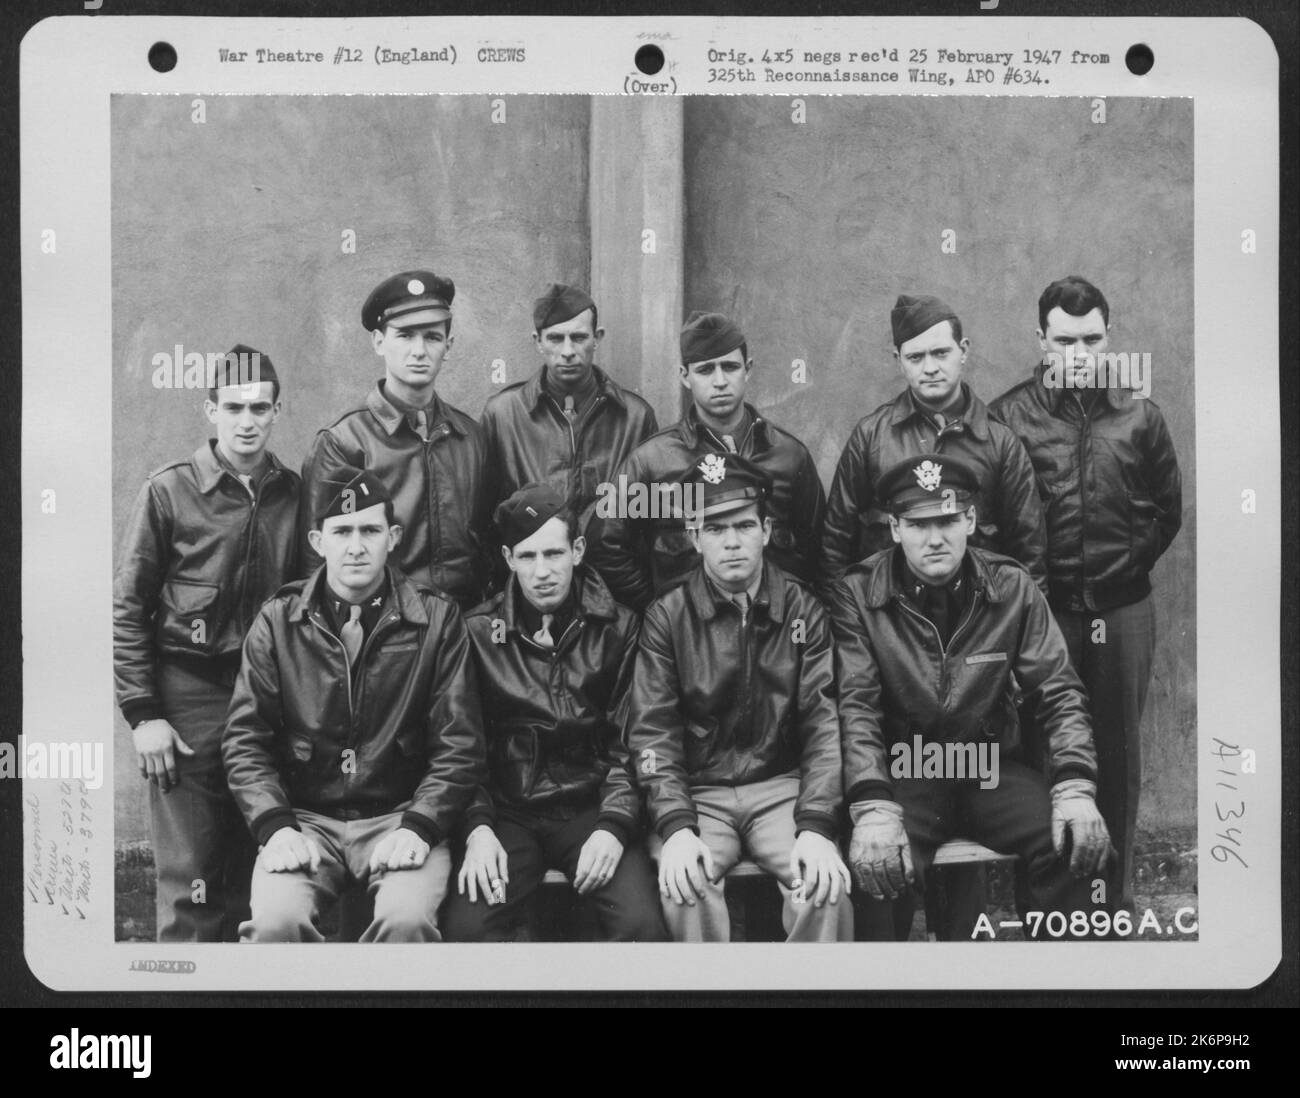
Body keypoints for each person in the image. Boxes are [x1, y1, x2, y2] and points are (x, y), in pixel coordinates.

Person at [827, 453, 1112, 941]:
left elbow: (1059, 690)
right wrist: (873, 805)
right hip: (907, 771)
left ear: (971, 521)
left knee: (1076, 842)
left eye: (948, 520)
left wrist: (1075, 786)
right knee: (872, 865)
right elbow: (856, 706)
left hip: (986, 766)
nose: (934, 538)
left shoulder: (1012, 586)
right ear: (894, 528)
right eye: (918, 524)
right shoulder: (858, 594)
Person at [223, 467, 486, 942]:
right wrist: (275, 826)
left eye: (370, 530)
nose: (356, 546)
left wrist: (422, 825)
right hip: (307, 820)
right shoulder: (279, 621)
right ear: (317, 542)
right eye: (341, 532)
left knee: (406, 922)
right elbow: (245, 741)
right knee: (275, 924)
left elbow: (459, 744)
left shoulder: (437, 619)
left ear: (394, 537)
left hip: (401, 813)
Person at [988, 276, 1182, 913]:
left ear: (1110, 337)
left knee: (1117, 755)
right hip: (1041, 615)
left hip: (1122, 612)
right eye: (1064, 340)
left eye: (1091, 339)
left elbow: (1166, 512)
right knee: (1044, 754)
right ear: (1040, 339)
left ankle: (1109, 904)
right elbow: (992, 523)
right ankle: (1049, 912)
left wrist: (1121, 569)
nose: (1078, 353)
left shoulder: (1138, 414)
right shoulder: (1008, 418)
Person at [625, 454, 852, 942]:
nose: (732, 542)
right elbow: (652, 730)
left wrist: (816, 823)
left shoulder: (802, 608)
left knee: (824, 884)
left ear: (766, 530)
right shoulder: (668, 617)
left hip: (781, 789)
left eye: (744, 525)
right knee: (684, 883)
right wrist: (676, 825)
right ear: (693, 537)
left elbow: (824, 722)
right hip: (700, 793)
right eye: (715, 528)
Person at [114, 346, 298, 942]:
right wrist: (144, 716)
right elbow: (128, 607)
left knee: (259, 877)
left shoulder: (293, 495)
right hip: (188, 698)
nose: (248, 421)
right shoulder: (168, 492)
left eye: (261, 409)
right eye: (234, 407)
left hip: (268, 702)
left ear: (277, 412)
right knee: (191, 881)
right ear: (210, 409)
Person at [443, 484, 667, 942]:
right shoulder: (479, 634)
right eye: (527, 557)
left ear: (578, 550)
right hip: (510, 813)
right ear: (508, 559)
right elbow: (462, 747)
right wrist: (478, 829)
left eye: (554, 553)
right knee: (466, 931)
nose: (542, 571)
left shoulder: (619, 627)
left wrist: (615, 826)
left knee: (641, 927)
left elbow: (634, 738)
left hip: (592, 806)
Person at [588, 310, 825, 612]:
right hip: (687, 643)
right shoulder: (652, 463)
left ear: (748, 370)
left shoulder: (789, 457)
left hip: (772, 635)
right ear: (684, 376)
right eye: (705, 370)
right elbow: (607, 545)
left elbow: (815, 546)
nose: (720, 381)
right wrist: (661, 610)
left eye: (730, 367)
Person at [819, 293, 1047, 598]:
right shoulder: (870, 438)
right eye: (916, 357)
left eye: (941, 353)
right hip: (888, 626)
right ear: (898, 360)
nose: (930, 368)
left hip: (978, 625)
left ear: (963, 351)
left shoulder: (1000, 443)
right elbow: (835, 546)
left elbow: (1030, 555)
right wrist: (847, 625)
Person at [299, 270, 492, 609]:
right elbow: (318, 565)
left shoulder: (470, 438)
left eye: (432, 337)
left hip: (463, 631)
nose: (419, 350)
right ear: (378, 342)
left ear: (448, 346)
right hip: (386, 635)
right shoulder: (344, 444)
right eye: (404, 335)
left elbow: (488, 545)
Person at [479, 283, 658, 541]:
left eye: (578, 337)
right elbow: (486, 517)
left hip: (612, 576)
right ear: (537, 341)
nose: (567, 352)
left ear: (597, 338)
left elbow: (649, 517)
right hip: (535, 573)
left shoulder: (635, 416)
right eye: (555, 338)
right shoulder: (503, 414)